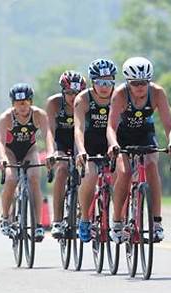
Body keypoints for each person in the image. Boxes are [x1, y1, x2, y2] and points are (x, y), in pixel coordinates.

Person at [106, 56, 171, 243]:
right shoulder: (120, 95)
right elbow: (111, 127)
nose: (140, 87)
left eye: (144, 82)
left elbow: (169, 124)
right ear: (128, 82)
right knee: (125, 172)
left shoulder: (157, 93)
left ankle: (156, 222)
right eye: (135, 83)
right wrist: (113, 144)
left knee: (151, 165)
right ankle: (116, 222)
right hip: (123, 137)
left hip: (146, 133)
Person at [0, 83, 48, 242]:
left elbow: (48, 137)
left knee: (34, 179)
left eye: (25, 102)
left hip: (30, 150)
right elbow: (0, 141)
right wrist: (3, 158)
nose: (22, 106)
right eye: (19, 103)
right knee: (11, 179)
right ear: (13, 104)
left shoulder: (39, 115)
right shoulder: (6, 118)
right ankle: (5, 217)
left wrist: (51, 152)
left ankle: (38, 224)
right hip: (10, 152)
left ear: (31, 102)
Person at [74, 59, 117, 242]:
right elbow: (78, 128)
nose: (105, 87)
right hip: (89, 144)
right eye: (100, 82)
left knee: (120, 176)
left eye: (109, 82)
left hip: (111, 143)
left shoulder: (119, 96)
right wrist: (81, 151)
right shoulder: (83, 99)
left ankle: (119, 220)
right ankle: (84, 219)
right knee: (90, 177)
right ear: (92, 82)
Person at [45, 71, 87, 238]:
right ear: (63, 91)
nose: (73, 97)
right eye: (69, 93)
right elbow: (49, 131)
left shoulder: (86, 102)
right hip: (60, 141)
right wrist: (51, 151)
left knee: (88, 172)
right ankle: (57, 220)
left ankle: (85, 215)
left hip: (80, 141)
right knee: (62, 170)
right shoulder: (54, 103)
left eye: (77, 93)